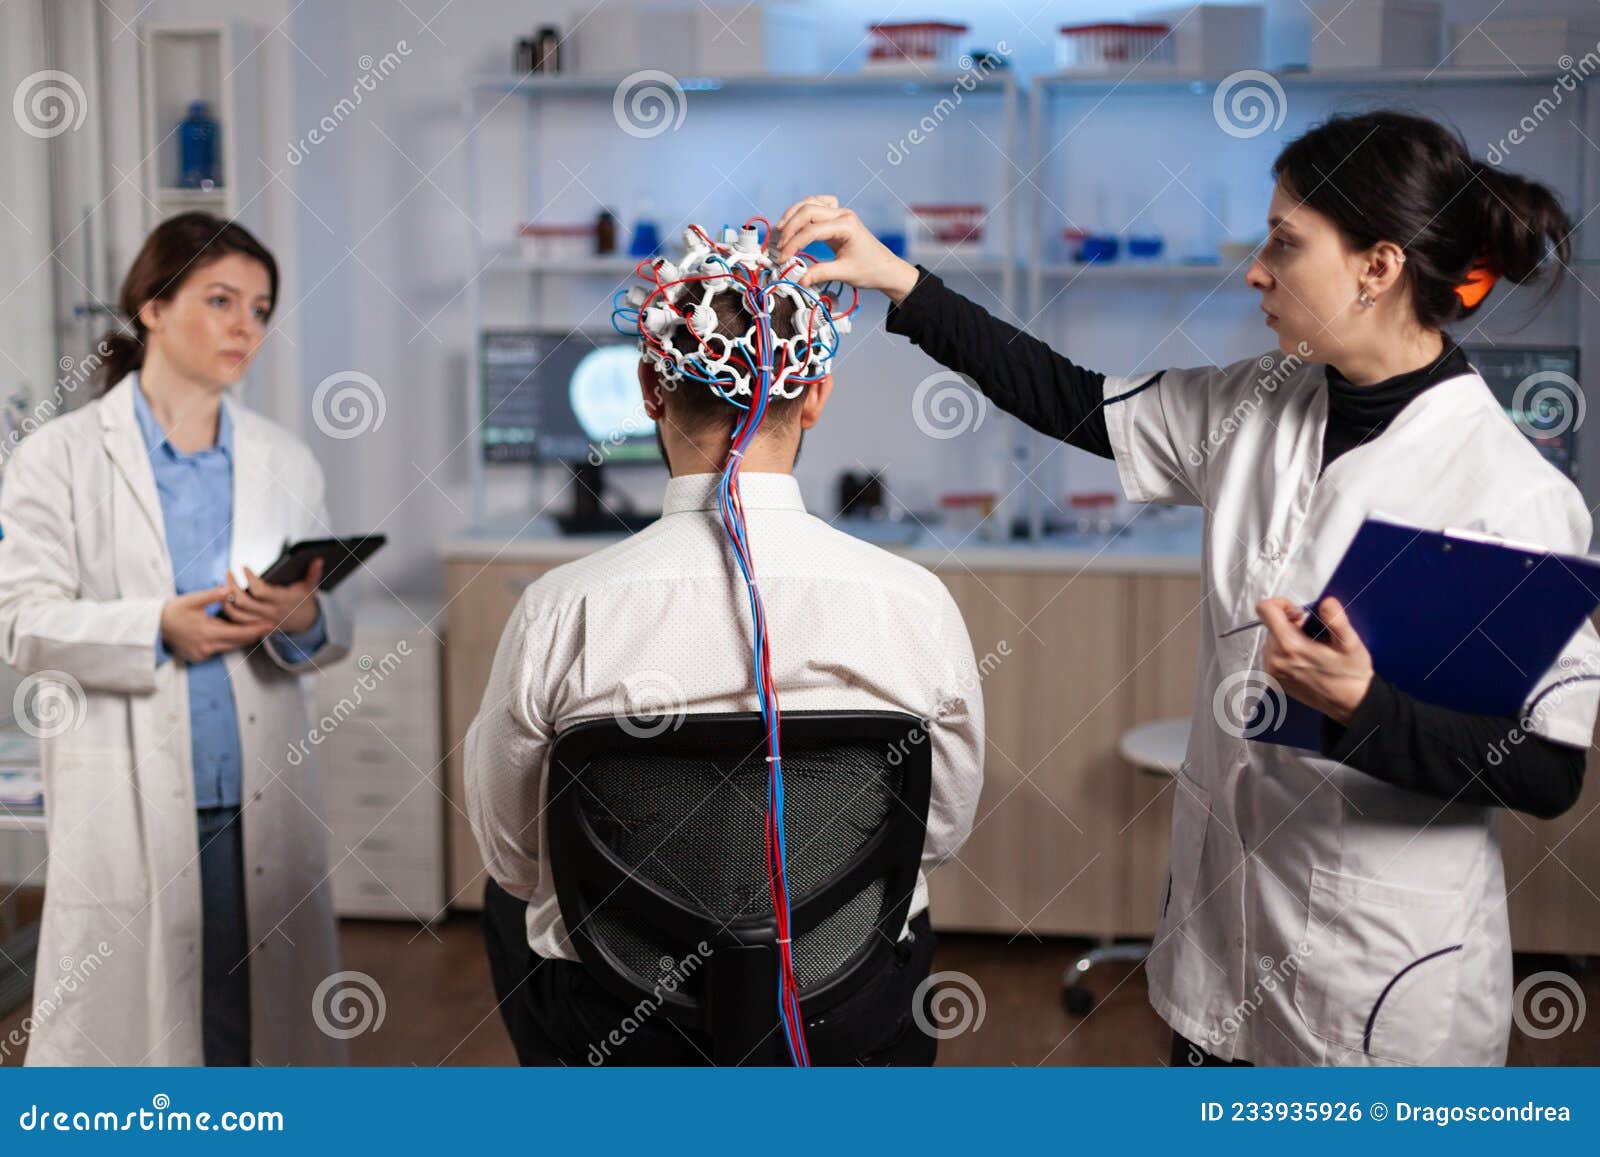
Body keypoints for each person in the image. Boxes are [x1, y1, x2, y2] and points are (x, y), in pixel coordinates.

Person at [769, 109, 1600, 1067]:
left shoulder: (1508, 490)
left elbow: (1546, 770)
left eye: (1285, 244)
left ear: (1378, 267)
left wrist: (1364, 708)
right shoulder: (1256, 403)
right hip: (1222, 946)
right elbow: (1069, 397)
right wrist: (899, 281)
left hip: (1379, 984)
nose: (1256, 269)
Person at [464, 246, 986, 1065]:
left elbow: (511, 855)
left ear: (647, 390)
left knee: (506, 903)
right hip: (845, 1011)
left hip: (626, 1030)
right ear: (814, 397)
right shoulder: (912, 603)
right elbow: (938, 836)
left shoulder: (561, 611)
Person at [0, 212, 352, 1065]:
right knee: (143, 1037)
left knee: (250, 1028)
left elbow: (326, 629)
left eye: (261, 309)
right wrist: (157, 626)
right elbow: (20, 620)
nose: (246, 327)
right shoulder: (60, 457)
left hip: (254, 789)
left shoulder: (284, 460)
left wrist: (296, 615)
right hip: (129, 790)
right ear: (152, 307)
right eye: (221, 300)